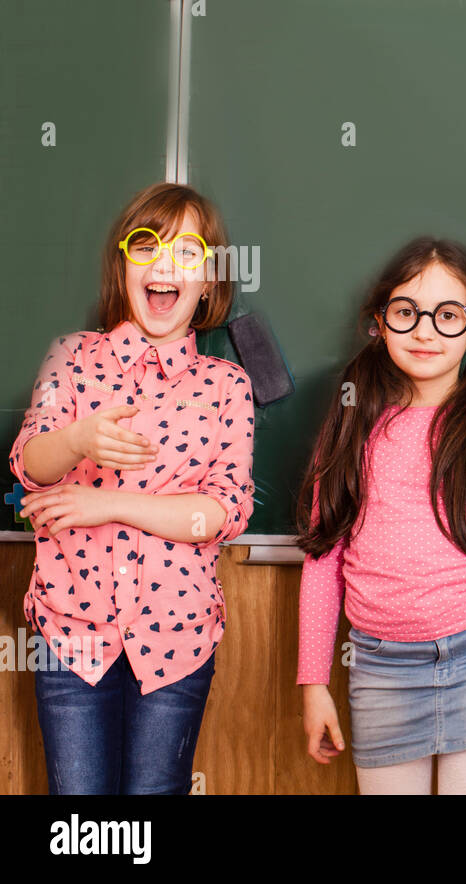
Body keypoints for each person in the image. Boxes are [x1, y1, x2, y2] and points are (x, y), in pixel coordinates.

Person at [9, 182, 255, 794]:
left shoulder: (227, 385)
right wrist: (79, 441)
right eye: (146, 244)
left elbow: (222, 512)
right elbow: (29, 464)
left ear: (210, 284)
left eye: (188, 252)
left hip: (177, 637)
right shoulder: (68, 357)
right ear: (123, 267)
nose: (165, 262)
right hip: (71, 636)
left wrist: (107, 502)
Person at [296, 236, 466, 795]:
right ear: (379, 322)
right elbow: (323, 560)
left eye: (447, 315)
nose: (425, 331)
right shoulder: (350, 429)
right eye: (406, 312)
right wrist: (313, 684)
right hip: (381, 671)